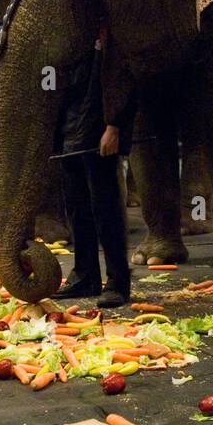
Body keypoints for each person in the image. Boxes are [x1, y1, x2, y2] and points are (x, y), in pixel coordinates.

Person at [54, 33, 134, 308]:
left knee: (105, 210)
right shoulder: (71, 39)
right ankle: (85, 274)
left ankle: (117, 281)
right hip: (70, 134)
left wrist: (114, 126)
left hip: (97, 133)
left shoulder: (109, 37)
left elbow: (120, 81)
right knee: (77, 210)